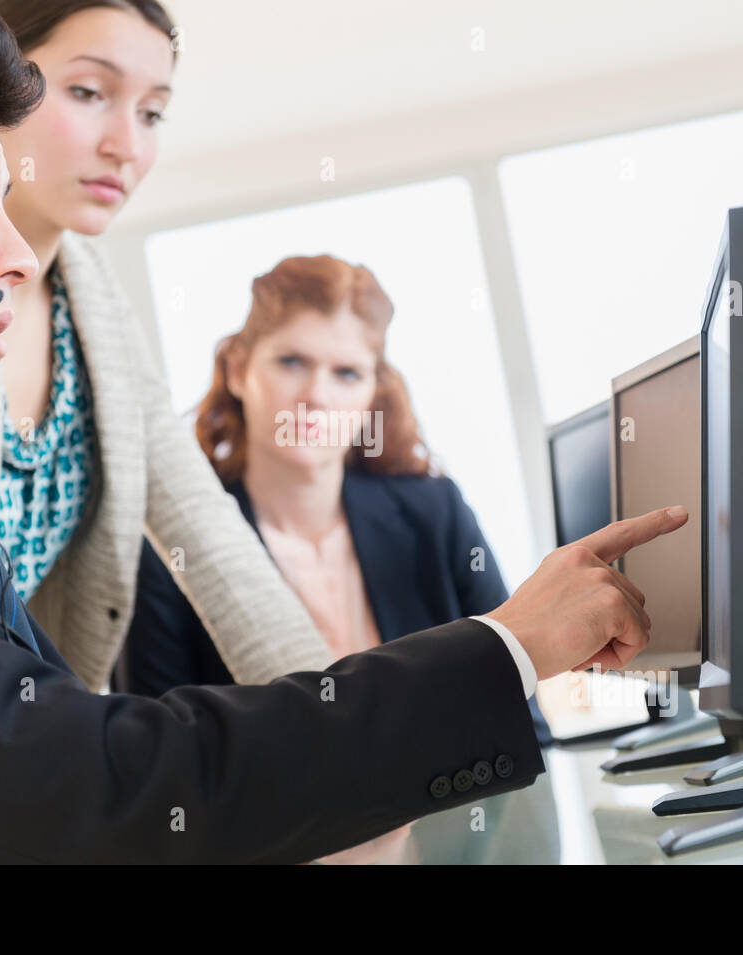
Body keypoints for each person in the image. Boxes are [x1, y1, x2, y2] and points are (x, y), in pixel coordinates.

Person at [0, 0, 685, 863]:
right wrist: (499, 651)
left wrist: (366, 781)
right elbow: (97, 781)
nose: (11, 260)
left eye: (154, 111)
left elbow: (216, 574)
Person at [0, 0, 334, 694]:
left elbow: (211, 538)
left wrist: (346, 730)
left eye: (152, 113)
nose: (127, 146)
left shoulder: (95, 304)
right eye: (90, 93)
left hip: (23, 741)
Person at [119, 254, 555, 756]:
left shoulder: (435, 512)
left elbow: (521, 717)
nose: (316, 397)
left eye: (347, 373)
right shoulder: (167, 550)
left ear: (373, 392)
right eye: (291, 362)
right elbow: (162, 760)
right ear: (238, 370)